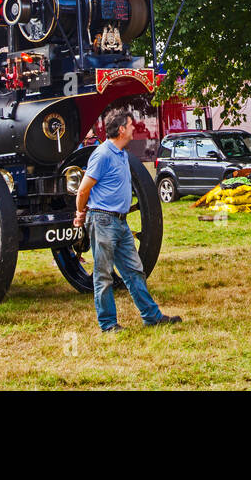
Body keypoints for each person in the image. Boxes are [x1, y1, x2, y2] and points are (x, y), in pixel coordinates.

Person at [73, 109, 182, 333]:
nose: (134, 129)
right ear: (121, 129)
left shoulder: (122, 154)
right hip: (102, 220)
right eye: (131, 125)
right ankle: (108, 324)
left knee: (134, 271)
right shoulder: (102, 154)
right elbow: (83, 190)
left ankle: (151, 316)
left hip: (120, 222)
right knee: (103, 275)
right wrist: (80, 213)